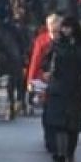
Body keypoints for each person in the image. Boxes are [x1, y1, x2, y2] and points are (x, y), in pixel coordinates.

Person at [39, 16, 81, 162]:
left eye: (68, 27)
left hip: (76, 90)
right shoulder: (57, 44)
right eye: (63, 27)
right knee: (58, 124)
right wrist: (46, 71)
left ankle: (70, 153)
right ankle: (60, 153)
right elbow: (46, 62)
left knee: (73, 126)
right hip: (58, 88)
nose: (65, 30)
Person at [27, 14, 63, 152]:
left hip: (61, 81)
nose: (55, 34)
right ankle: (49, 138)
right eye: (52, 30)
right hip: (44, 80)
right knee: (47, 111)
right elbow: (35, 61)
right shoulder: (41, 41)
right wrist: (31, 80)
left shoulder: (66, 40)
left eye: (57, 30)